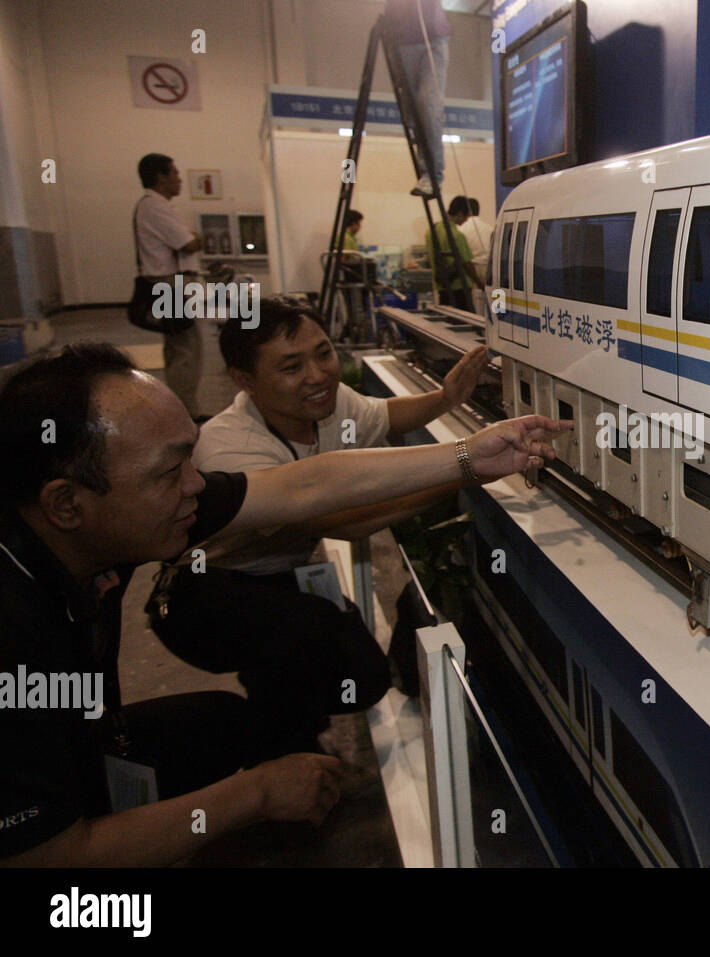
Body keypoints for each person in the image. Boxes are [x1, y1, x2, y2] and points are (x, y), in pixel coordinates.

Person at [0, 342, 564, 865]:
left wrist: (470, 456)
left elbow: (298, 487)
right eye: (171, 471)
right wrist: (256, 793)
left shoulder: (92, 522)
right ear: (66, 504)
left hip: (84, 734)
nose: (197, 485)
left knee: (223, 725)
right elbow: (43, 858)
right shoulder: (12, 628)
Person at [147, 296, 492, 758]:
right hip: (202, 596)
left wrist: (446, 398)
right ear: (245, 381)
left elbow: (385, 415)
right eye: (291, 367)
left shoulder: (327, 404)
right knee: (324, 653)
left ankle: (283, 709)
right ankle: (277, 752)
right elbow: (346, 522)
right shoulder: (230, 449)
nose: (317, 375)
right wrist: (466, 469)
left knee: (350, 666)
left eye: (324, 353)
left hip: (275, 575)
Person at [134, 153, 203, 419]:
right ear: (161, 177)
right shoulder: (154, 206)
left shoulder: (155, 206)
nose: (180, 179)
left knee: (181, 347)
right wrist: (195, 237)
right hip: (170, 285)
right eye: (175, 173)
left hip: (171, 285)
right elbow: (188, 243)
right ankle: (185, 412)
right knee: (185, 349)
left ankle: (185, 406)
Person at [382, 0, 450, 197]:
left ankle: (433, 174)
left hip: (433, 38)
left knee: (428, 105)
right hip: (400, 40)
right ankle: (426, 168)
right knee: (412, 115)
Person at [426, 196, 479, 310]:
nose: (466, 220)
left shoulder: (431, 231)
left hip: (441, 287)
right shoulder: (457, 235)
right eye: (467, 216)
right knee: (467, 323)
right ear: (460, 214)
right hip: (459, 289)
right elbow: (467, 264)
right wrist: (480, 283)